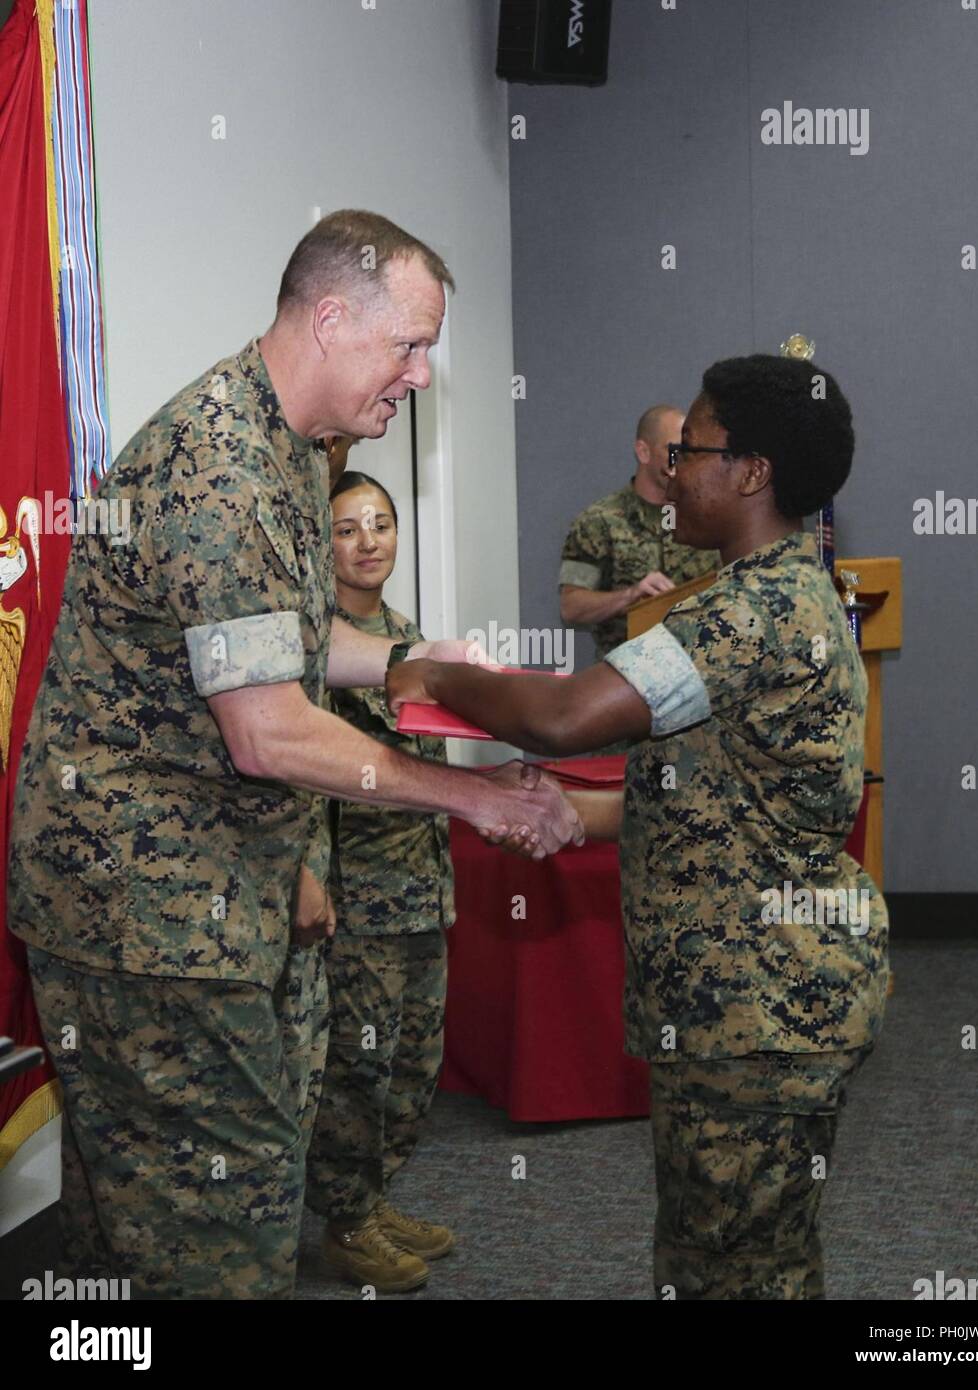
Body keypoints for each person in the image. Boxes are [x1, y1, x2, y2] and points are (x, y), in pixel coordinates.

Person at [7, 209, 582, 1301]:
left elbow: (281, 634)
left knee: (126, 1234)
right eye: (407, 344)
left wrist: (412, 661)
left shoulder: (285, 447)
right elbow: (267, 726)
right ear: (329, 318)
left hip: (201, 898)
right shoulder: (222, 466)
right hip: (146, 916)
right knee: (221, 1236)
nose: (419, 374)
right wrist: (469, 798)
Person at [388, 354, 889, 1300]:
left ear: (751, 471)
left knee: (732, 1268)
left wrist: (436, 674)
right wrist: (573, 814)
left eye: (690, 449)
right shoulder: (777, 590)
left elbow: (564, 715)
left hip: (757, 1007)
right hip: (761, 999)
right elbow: (722, 796)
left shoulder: (752, 609)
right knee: (746, 1256)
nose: (670, 472)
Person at [306, 469, 455, 1294]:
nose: (368, 542)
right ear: (321, 545)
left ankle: (375, 1196)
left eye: (382, 525)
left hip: (422, 892)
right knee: (354, 1073)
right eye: (347, 528)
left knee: (412, 1063)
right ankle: (347, 1221)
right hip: (355, 899)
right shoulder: (313, 652)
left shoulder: (407, 639)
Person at [559, 404, 719, 663]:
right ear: (643, 452)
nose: (679, 462)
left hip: (698, 674)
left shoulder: (705, 518)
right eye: (673, 451)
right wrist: (632, 595)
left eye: (686, 453)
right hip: (625, 676)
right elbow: (571, 606)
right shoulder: (600, 521)